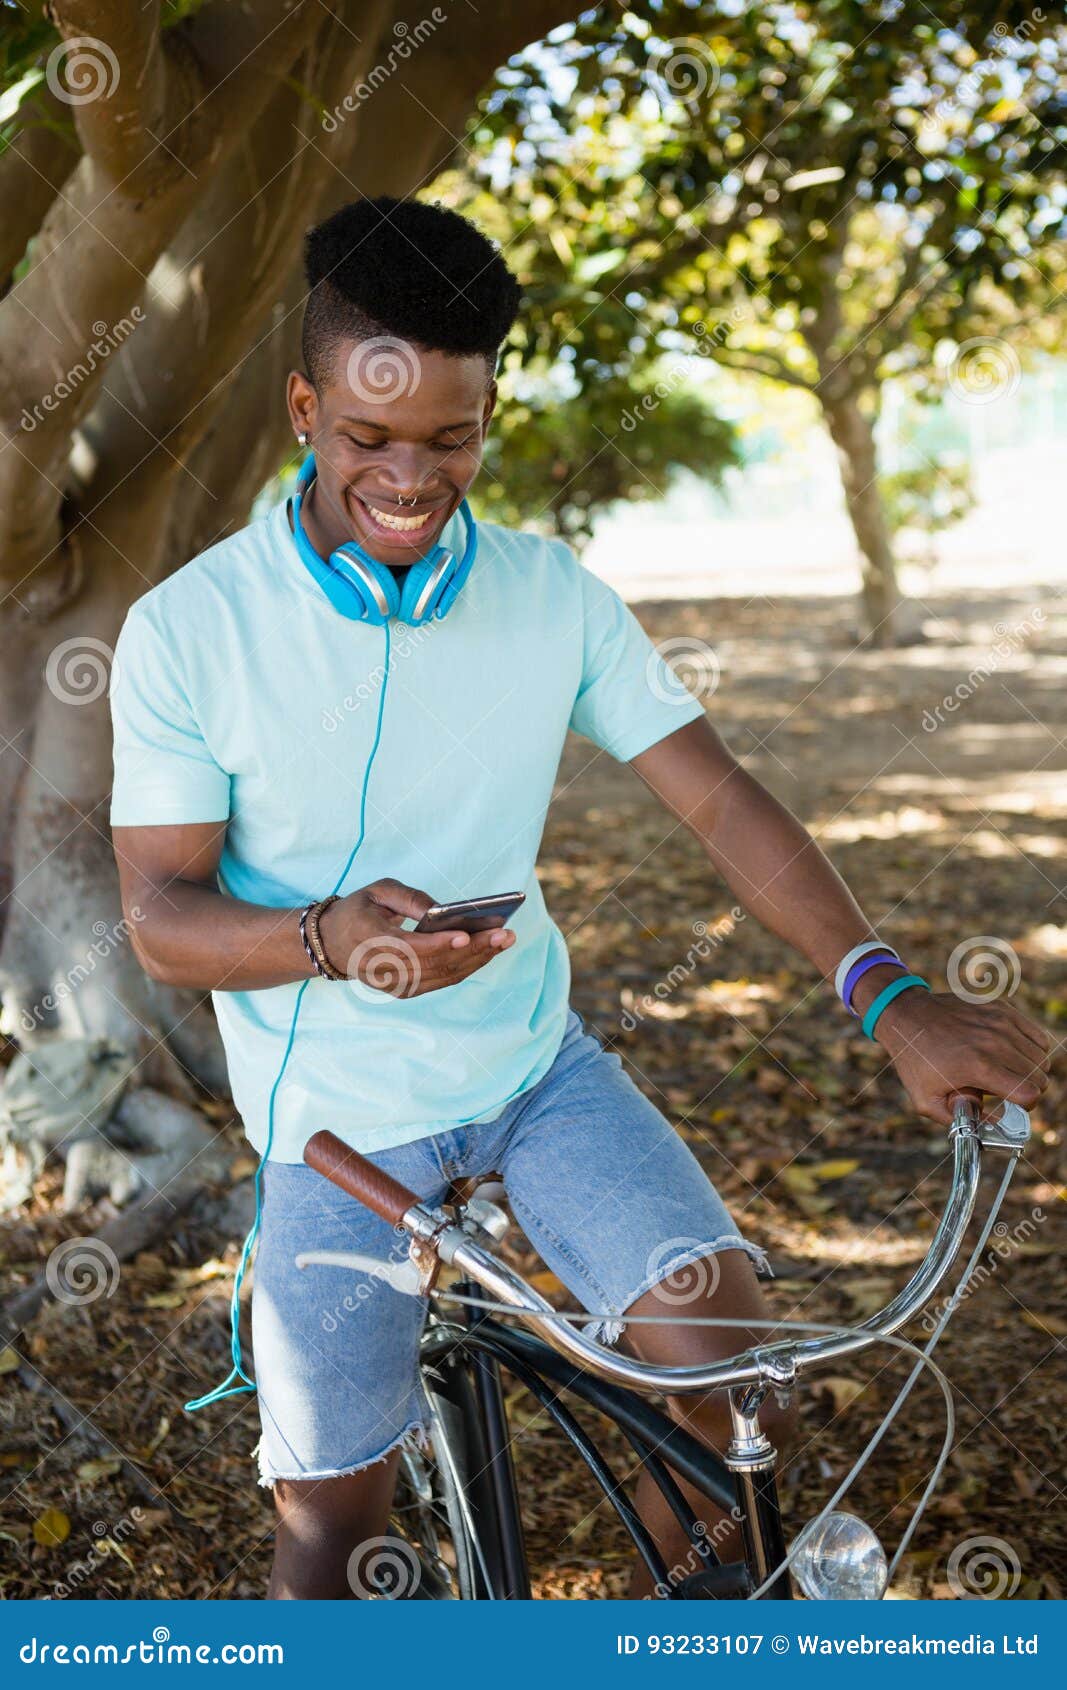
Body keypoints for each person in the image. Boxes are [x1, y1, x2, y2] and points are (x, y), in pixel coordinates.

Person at [108, 196, 1051, 1600]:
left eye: (452, 436)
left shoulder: (554, 598)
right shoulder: (191, 628)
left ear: (490, 412)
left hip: (538, 1072)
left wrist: (889, 990)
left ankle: (712, 1624)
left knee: (737, 1397)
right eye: (369, 439)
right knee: (328, 1528)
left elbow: (720, 797)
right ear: (305, 408)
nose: (413, 478)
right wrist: (326, 940)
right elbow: (160, 915)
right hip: (336, 1129)